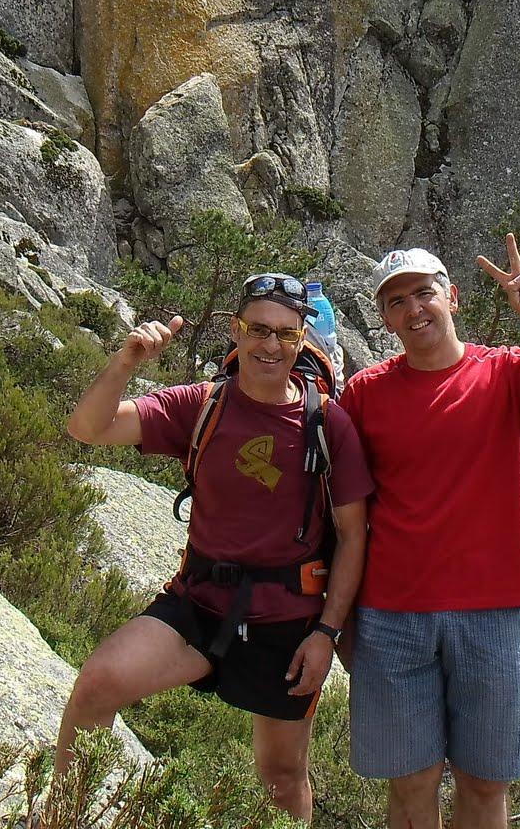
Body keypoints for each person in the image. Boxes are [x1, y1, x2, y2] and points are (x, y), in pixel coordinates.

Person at [54, 273, 373, 822]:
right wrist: (127, 360)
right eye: (257, 329)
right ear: (236, 330)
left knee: (281, 775)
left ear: (302, 341)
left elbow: (352, 535)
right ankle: (63, 818)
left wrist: (326, 634)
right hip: (199, 604)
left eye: (285, 334)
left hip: (287, 624)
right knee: (95, 687)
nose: (270, 345)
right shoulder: (201, 406)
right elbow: (88, 428)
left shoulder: (328, 425)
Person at [339, 236, 520, 829]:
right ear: (386, 319)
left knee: (486, 784)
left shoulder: (508, 372)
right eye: (396, 301)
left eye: (424, 293)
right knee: (411, 785)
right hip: (392, 615)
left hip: (491, 613)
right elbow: (341, 508)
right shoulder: (366, 393)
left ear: (452, 298)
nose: (414, 309)